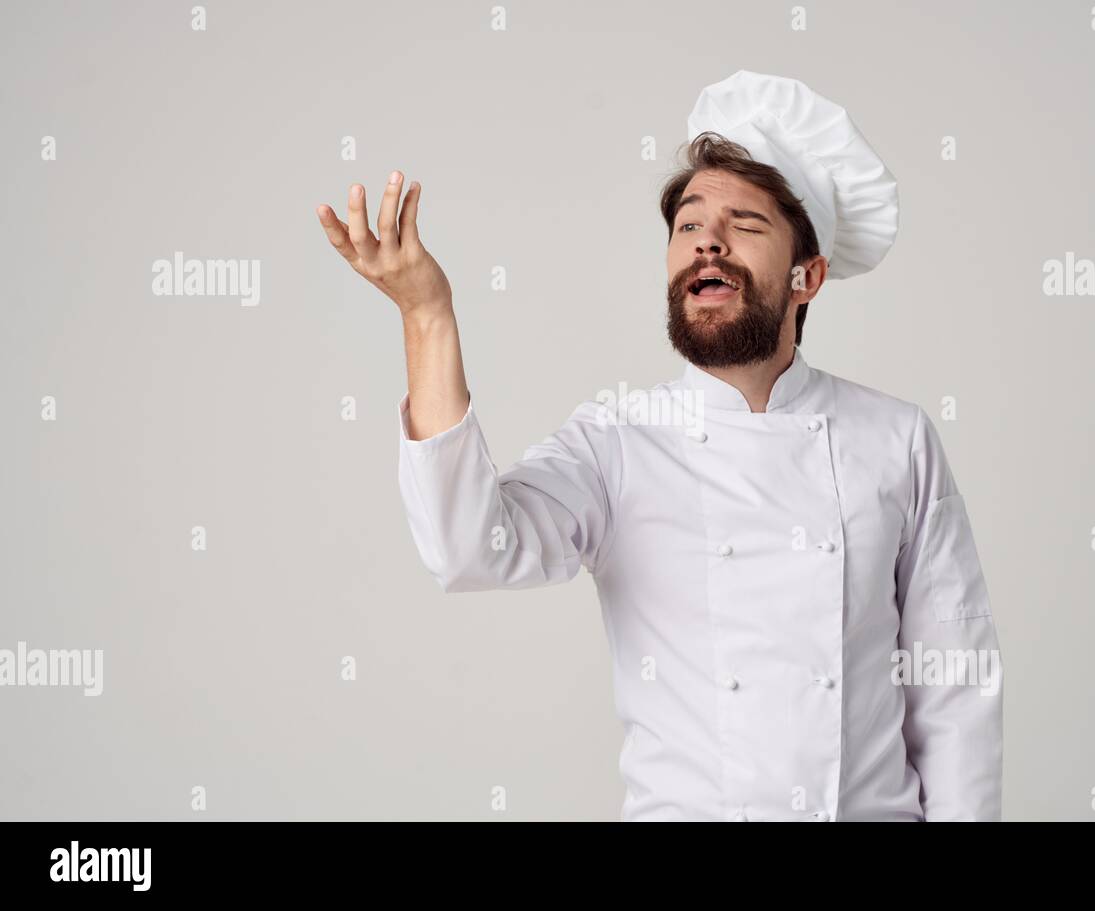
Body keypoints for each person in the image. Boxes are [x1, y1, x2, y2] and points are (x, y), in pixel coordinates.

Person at [315, 70, 1002, 822]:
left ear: (808, 276)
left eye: (746, 223)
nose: (708, 238)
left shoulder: (896, 439)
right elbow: (469, 548)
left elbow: (954, 687)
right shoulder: (618, 440)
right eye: (689, 224)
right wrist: (427, 316)